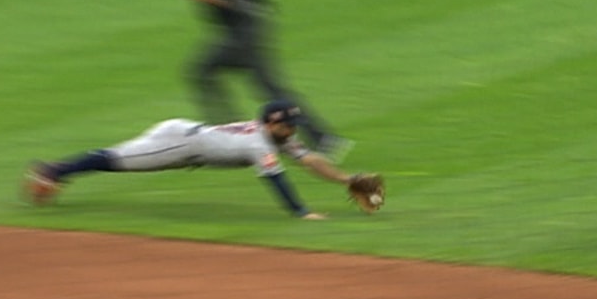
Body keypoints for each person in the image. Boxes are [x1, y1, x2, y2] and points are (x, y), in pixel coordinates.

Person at [159, 0, 350, 160]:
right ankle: (324, 139)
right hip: (248, 26)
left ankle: (226, 138)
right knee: (271, 88)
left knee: (201, 70)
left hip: (244, 29)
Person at [21, 100, 368, 219]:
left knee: (117, 158)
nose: (294, 131)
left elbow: (308, 160)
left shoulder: (277, 136)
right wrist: (301, 212)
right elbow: (277, 179)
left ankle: (54, 173)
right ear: (272, 123)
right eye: (290, 125)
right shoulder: (259, 144)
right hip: (178, 142)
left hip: (187, 139)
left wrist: (344, 179)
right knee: (116, 160)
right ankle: (51, 171)